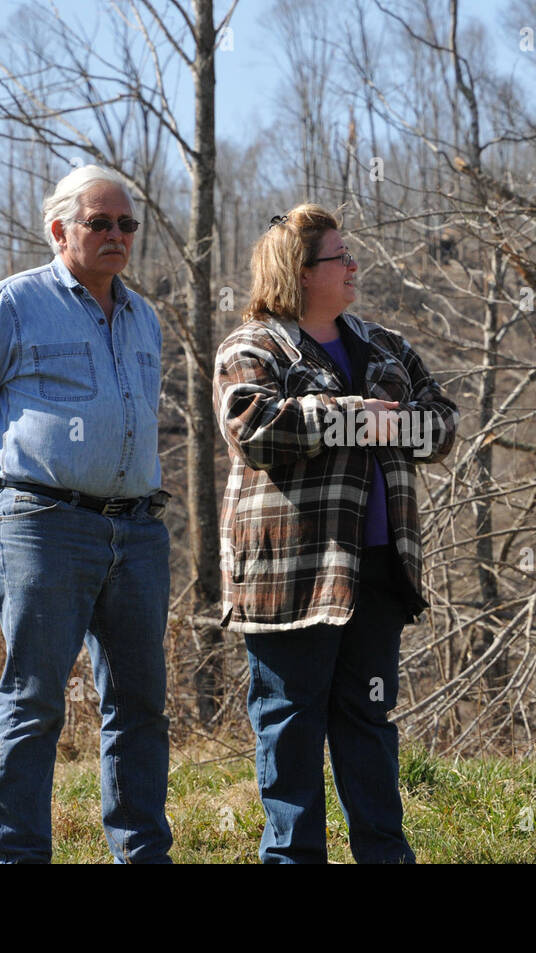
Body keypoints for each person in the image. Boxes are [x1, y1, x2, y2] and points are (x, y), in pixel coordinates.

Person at [0, 164, 173, 863]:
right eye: (102, 222)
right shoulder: (13, 304)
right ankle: (17, 854)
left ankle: (141, 852)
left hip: (137, 528)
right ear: (60, 229)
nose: (118, 235)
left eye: (127, 224)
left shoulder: (144, 316)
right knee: (35, 699)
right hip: (42, 522)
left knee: (140, 706)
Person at [213, 204, 458, 863]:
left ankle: (384, 854)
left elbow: (441, 425)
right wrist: (353, 418)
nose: (355, 266)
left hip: (378, 568)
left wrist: (394, 423)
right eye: (340, 257)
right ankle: (294, 858)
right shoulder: (252, 348)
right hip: (289, 576)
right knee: (289, 722)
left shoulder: (384, 346)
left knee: (368, 718)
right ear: (299, 270)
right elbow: (257, 432)